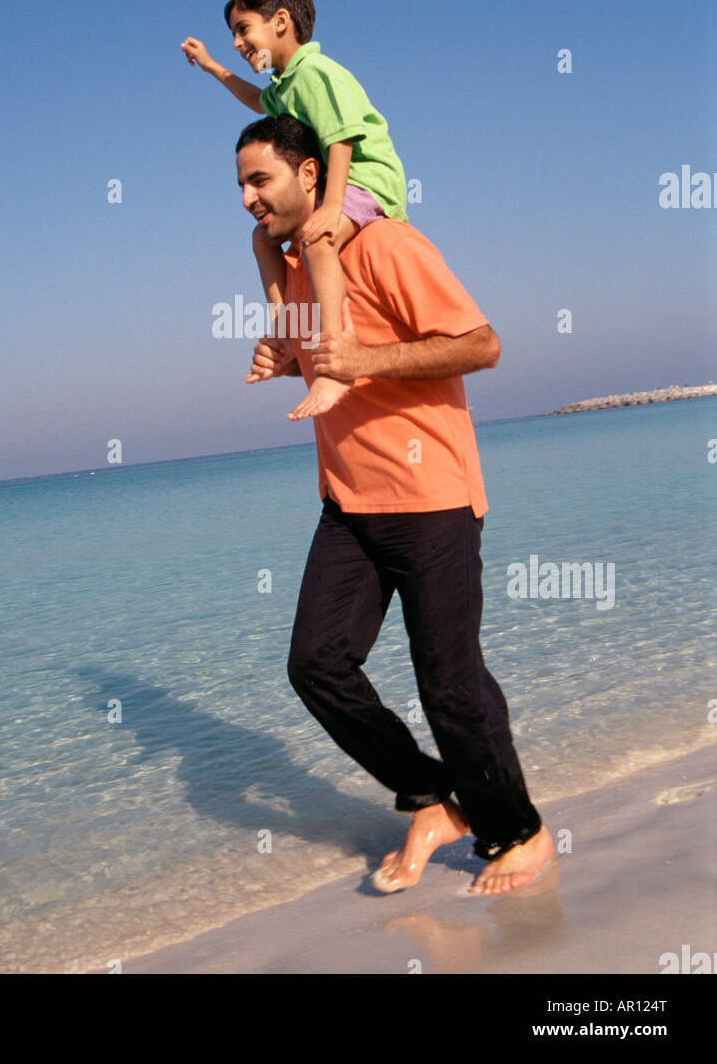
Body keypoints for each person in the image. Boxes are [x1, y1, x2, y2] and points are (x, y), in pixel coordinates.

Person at [235, 113, 555, 896]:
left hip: (432, 496)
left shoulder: (387, 246)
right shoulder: (301, 268)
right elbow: (327, 363)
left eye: (259, 179)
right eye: (240, 184)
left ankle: (520, 830)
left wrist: (368, 359)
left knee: (449, 682)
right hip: (348, 503)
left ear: (311, 175)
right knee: (316, 665)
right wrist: (287, 360)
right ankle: (432, 797)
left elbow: (481, 344)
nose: (247, 198)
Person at [182, 0, 408, 421]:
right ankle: (286, 326)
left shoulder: (315, 72)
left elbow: (341, 139)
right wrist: (212, 69)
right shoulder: (284, 85)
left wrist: (329, 207)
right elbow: (254, 99)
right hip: (335, 186)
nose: (236, 43)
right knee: (261, 238)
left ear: (280, 22)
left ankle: (334, 359)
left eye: (243, 29)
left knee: (316, 240)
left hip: (366, 180)